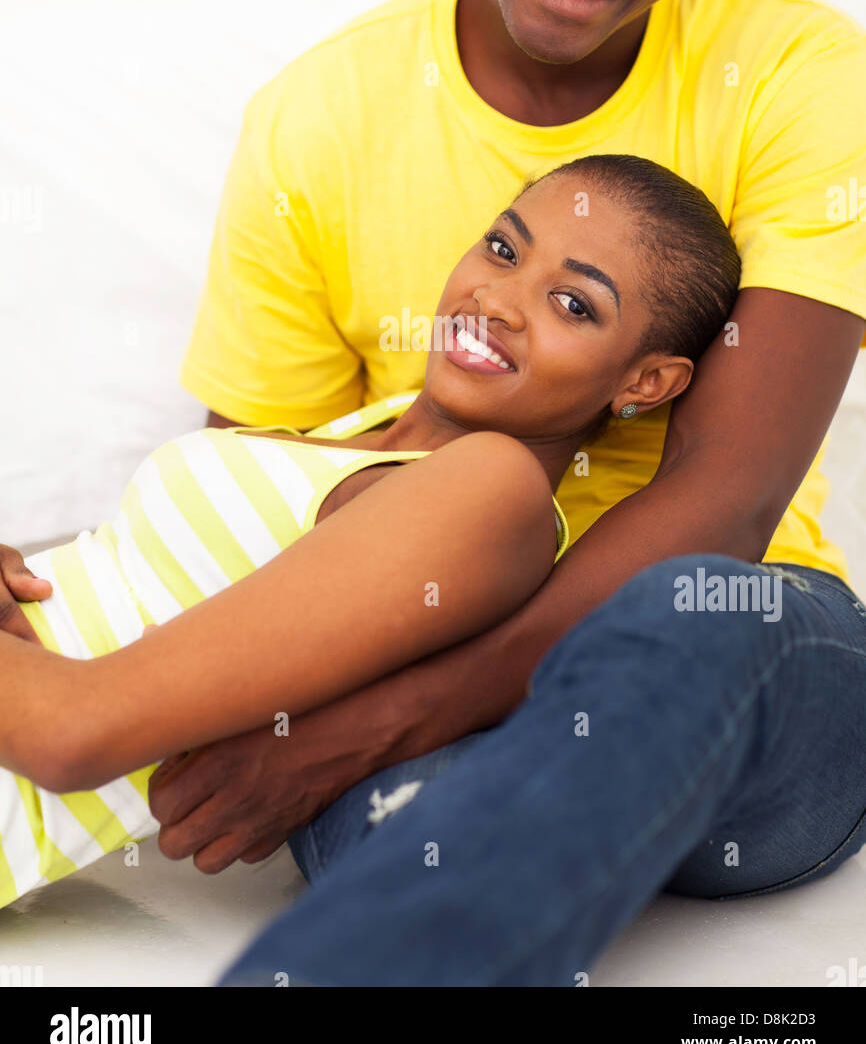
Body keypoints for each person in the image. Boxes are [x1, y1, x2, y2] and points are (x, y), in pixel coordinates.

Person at [1, 0, 865, 983]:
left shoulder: (802, 77)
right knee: (391, 818)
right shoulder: (319, 117)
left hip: (736, 660)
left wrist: (363, 719)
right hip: (427, 682)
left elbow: (725, 496)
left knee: (690, 610)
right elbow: (258, 547)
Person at [0, 155, 741, 908]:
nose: (498, 300)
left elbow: (73, 732)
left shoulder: (492, 490)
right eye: (504, 249)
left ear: (644, 383)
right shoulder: (352, 438)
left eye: (573, 304)